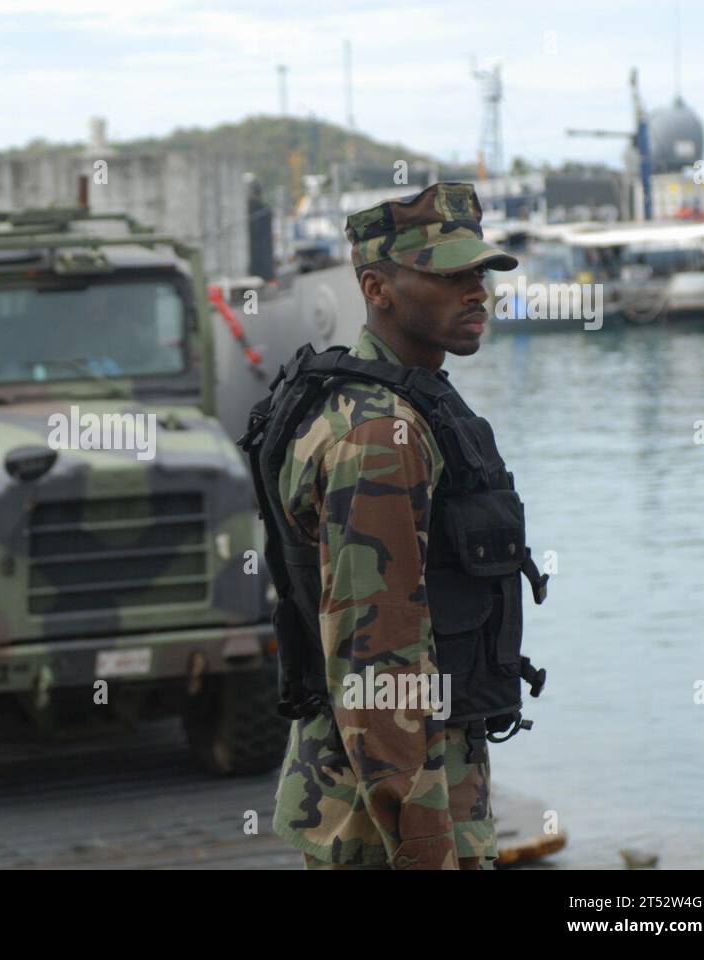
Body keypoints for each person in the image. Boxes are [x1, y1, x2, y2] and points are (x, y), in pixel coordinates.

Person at [239, 182, 548, 870]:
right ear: (377, 288)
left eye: (480, 273)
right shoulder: (381, 433)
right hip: (390, 817)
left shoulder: (391, 403)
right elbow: (380, 661)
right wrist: (422, 840)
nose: (476, 291)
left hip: (395, 790)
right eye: (449, 275)